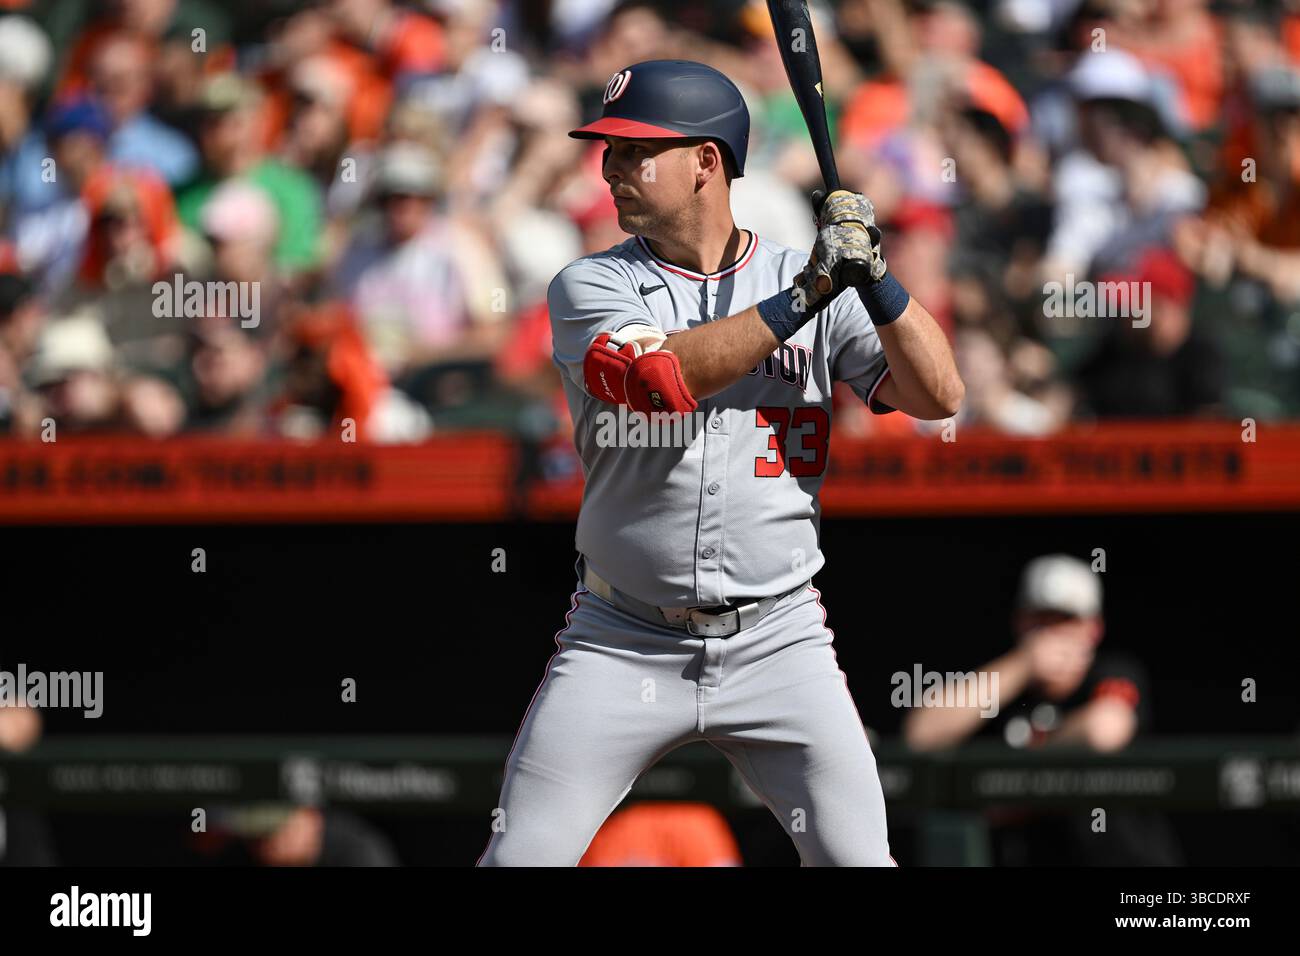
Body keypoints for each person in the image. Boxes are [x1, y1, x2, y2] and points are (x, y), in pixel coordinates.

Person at [478, 60, 962, 867]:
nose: (612, 169)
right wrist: (812, 290)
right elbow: (661, 380)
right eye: (610, 151)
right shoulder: (591, 283)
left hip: (780, 637)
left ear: (707, 162)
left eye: (638, 152)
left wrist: (875, 278)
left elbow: (939, 395)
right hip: (622, 634)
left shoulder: (807, 280)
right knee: (518, 859)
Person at [901, 553, 1183, 865]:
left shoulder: (1113, 670)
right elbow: (921, 734)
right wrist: (1023, 664)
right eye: (1040, 619)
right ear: (1020, 621)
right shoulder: (1004, 688)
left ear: (1093, 628)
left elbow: (1104, 730)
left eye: (1065, 620)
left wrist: (1013, 779)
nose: (1052, 633)